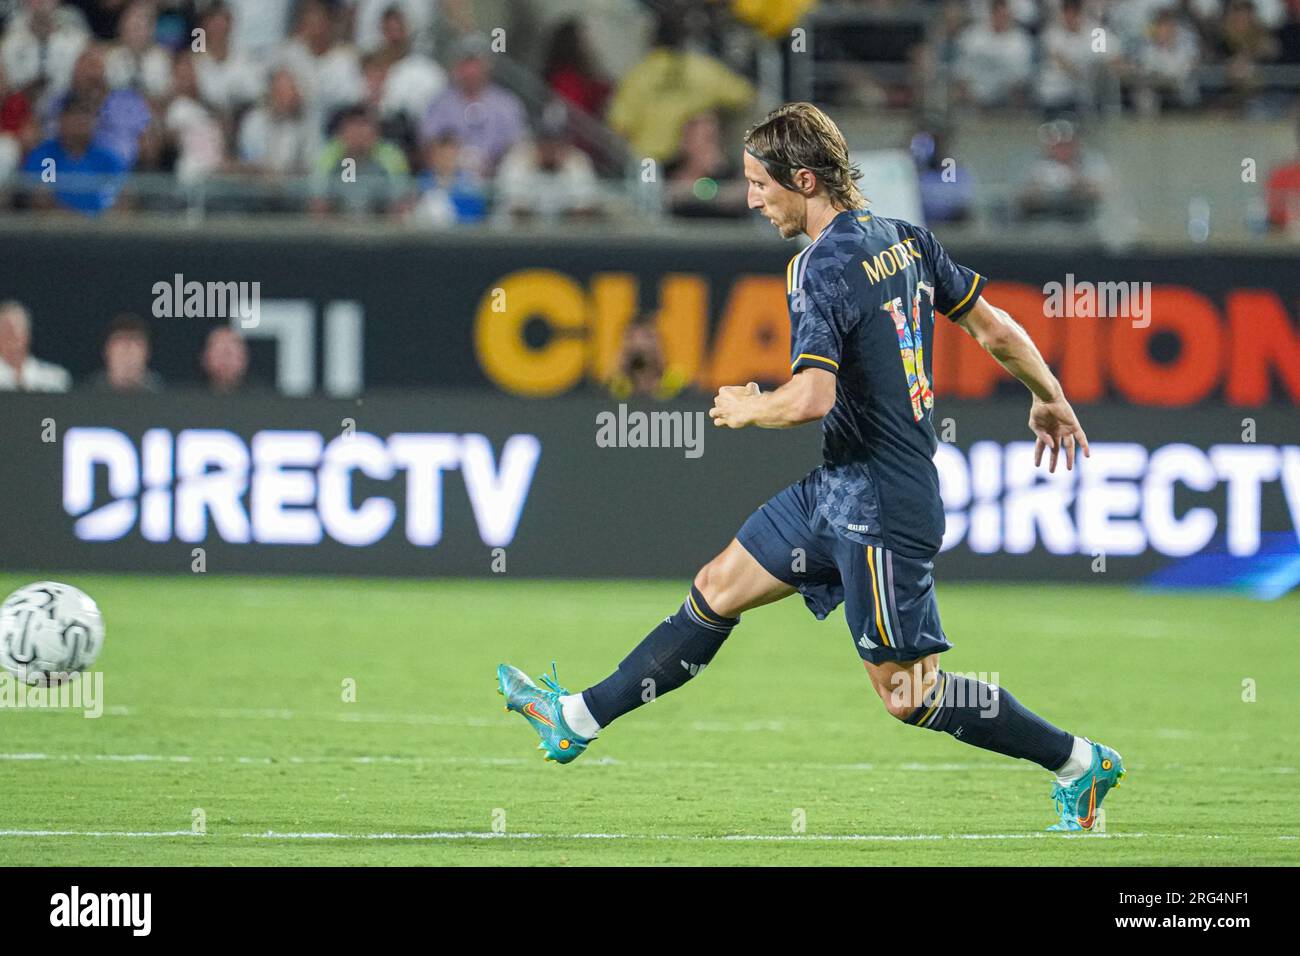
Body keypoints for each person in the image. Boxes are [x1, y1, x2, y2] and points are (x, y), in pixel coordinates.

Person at [497, 102, 1126, 834]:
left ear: (804, 179)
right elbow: (993, 324)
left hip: (882, 505)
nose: (753, 200)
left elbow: (812, 395)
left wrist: (748, 406)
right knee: (717, 586)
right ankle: (574, 718)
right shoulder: (905, 238)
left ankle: (1080, 762)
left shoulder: (819, 266)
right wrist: (1047, 395)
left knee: (909, 696)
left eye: (761, 185)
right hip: (836, 488)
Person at [0, 299, 71, 391]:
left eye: (17, 328)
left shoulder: (55, 379)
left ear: (28, 334)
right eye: (5, 329)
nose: (12, 335)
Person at [87, 313, 162, 392]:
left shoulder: (161, 395)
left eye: (135, 339)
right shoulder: (87, 394)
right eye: (119, 339)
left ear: (147, 352)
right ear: (106, 351)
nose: (127, 347)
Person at [200, 325, 249, 394]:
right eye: (219, 353)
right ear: (205, 358)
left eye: (230, 354)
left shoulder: (262, 400)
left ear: (244, 359)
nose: (225, 361)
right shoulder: (188, 398)